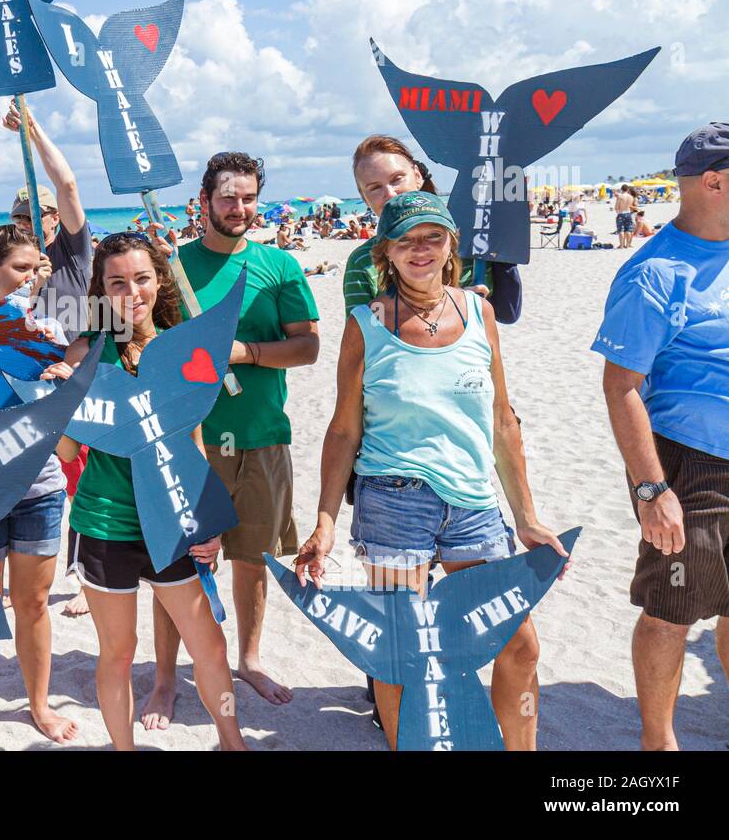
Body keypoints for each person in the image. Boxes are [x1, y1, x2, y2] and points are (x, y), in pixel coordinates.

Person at [295, 191, 569, 750]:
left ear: (451, 245)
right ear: (386, 254)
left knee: (517, 644)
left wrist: (528, 518)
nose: (420, 250)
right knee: (402, 654)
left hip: (473, 504)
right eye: (405, 240)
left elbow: (502, 421)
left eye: (432, 237)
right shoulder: (365, 323)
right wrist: (324, 521)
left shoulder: (480, 312)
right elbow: (344, 429)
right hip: (392, 505)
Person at [45, 233, 246, 751]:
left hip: (172, 519)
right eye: (116, 282)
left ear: (160, 281)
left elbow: (195, 442)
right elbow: (67, 454)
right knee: (117, 651)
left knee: (211, 647)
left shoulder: (180, 347)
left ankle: (231, 742)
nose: (130, 292)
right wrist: (69, 394)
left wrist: (207, 526)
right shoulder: (87, 350)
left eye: (141, 278)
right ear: (100, 289)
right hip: (104, 521)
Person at [140, 152, 320, 723]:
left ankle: (248, 658)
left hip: (262, 435)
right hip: (186, 441)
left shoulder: (279, 266)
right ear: (204, 203)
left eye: (248, 198)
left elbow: (308, 347)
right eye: (227, 198)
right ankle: (166, 677)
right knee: (176, 560)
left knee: (251, 557)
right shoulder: (171, 267)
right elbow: (136, 339)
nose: (239, 208)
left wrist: (247, 353)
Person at [594, 123, 729, 751]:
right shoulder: (653, 272)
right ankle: (659, 743)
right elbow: (621, 386)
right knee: (673, 609)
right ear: (714, 181)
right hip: (686, 462)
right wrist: (652, 488)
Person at [0, 224, 77, 743]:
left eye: (35, 269)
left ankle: (38, 705)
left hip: (39, 485)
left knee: (32, 604)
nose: (31, 278)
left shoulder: (44, 332)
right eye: (20, 268)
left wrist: (63, 384)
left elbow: (66, 421)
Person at [344, 135, 523, 324]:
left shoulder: (469, 241)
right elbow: (361, 339)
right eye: (375, 188)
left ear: (418, 176)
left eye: (397, 179)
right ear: (364, 198)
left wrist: (504, 251)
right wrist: (448, 306)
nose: (390, 193)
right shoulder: (363, 261)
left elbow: (507, 312)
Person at [3, 104, 92, 339]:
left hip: (76, 361)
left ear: (55, 218)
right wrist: (34, 284)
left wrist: (33, 130)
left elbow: (67, 185)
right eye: (19, 217)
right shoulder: (11, 262)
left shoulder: (72, 250)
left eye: (33, 216)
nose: (24, 223)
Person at [615, 184, 638, 250]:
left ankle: (622, 245)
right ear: (627, 189)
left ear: (621, 189)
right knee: (628, 230)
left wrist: (618, 212)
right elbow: (630, 206)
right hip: (628, 214)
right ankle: (627, 245)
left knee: (621, 230)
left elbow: (616, 207)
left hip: (621, 213)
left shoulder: (620, 197)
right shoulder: (631, 197)